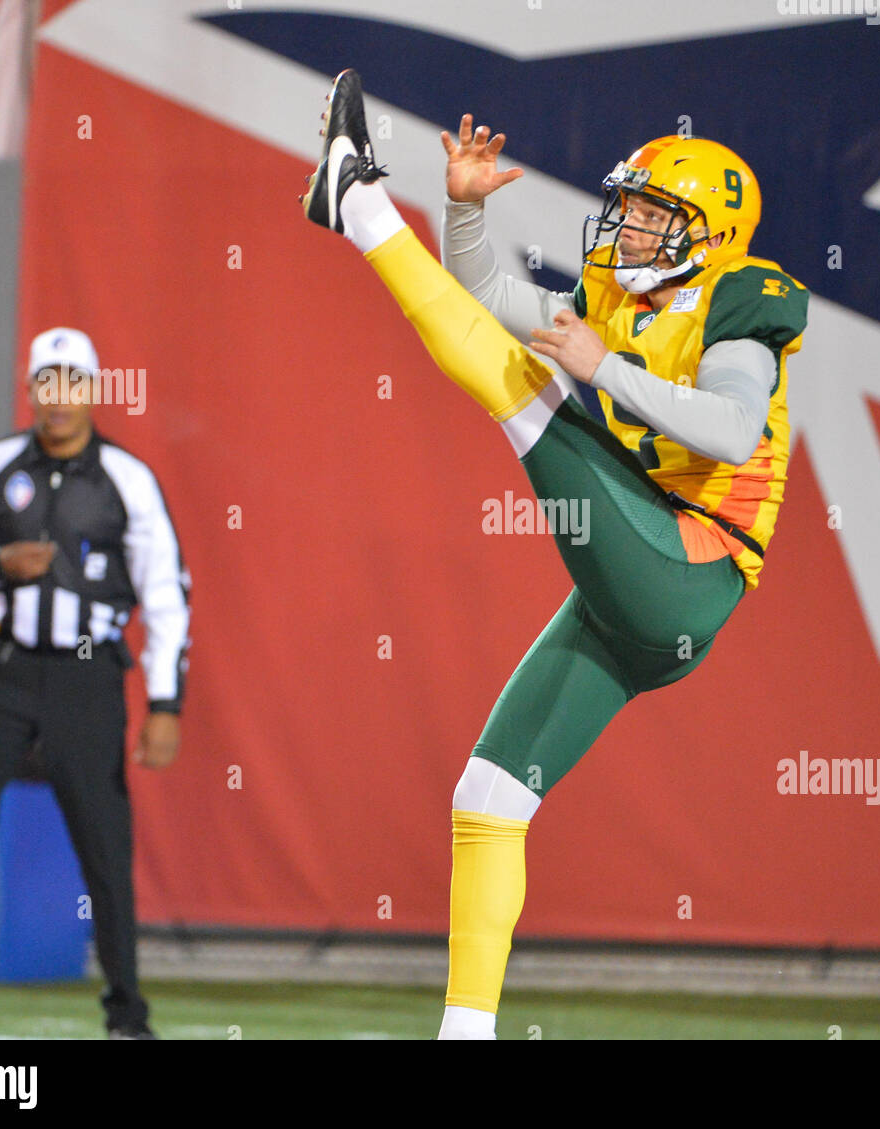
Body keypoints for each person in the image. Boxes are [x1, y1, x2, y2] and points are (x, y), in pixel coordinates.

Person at [300, 70, 809, 1039]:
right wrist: (459, 212)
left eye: (655, 215)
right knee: (487, 793)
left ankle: (358, 201)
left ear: (705, 232)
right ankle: (466, 1033)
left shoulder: (740, 298)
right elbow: (487, 296)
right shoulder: (617, 294)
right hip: (641, 575)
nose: (629, 228)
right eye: (633, 208)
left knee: (524, 388)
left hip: (689, 568)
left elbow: (735, 431)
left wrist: (601, 369)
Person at [0, 327, 190, 1040]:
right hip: (0, 672)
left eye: (72, 381)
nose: (58, 397)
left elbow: (166, 593)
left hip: (86, 676)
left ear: (92, 388)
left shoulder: (127, 478)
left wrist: (165, 701)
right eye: (46, 381)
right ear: (31, 388)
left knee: (104, 841)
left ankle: (127, 1015)